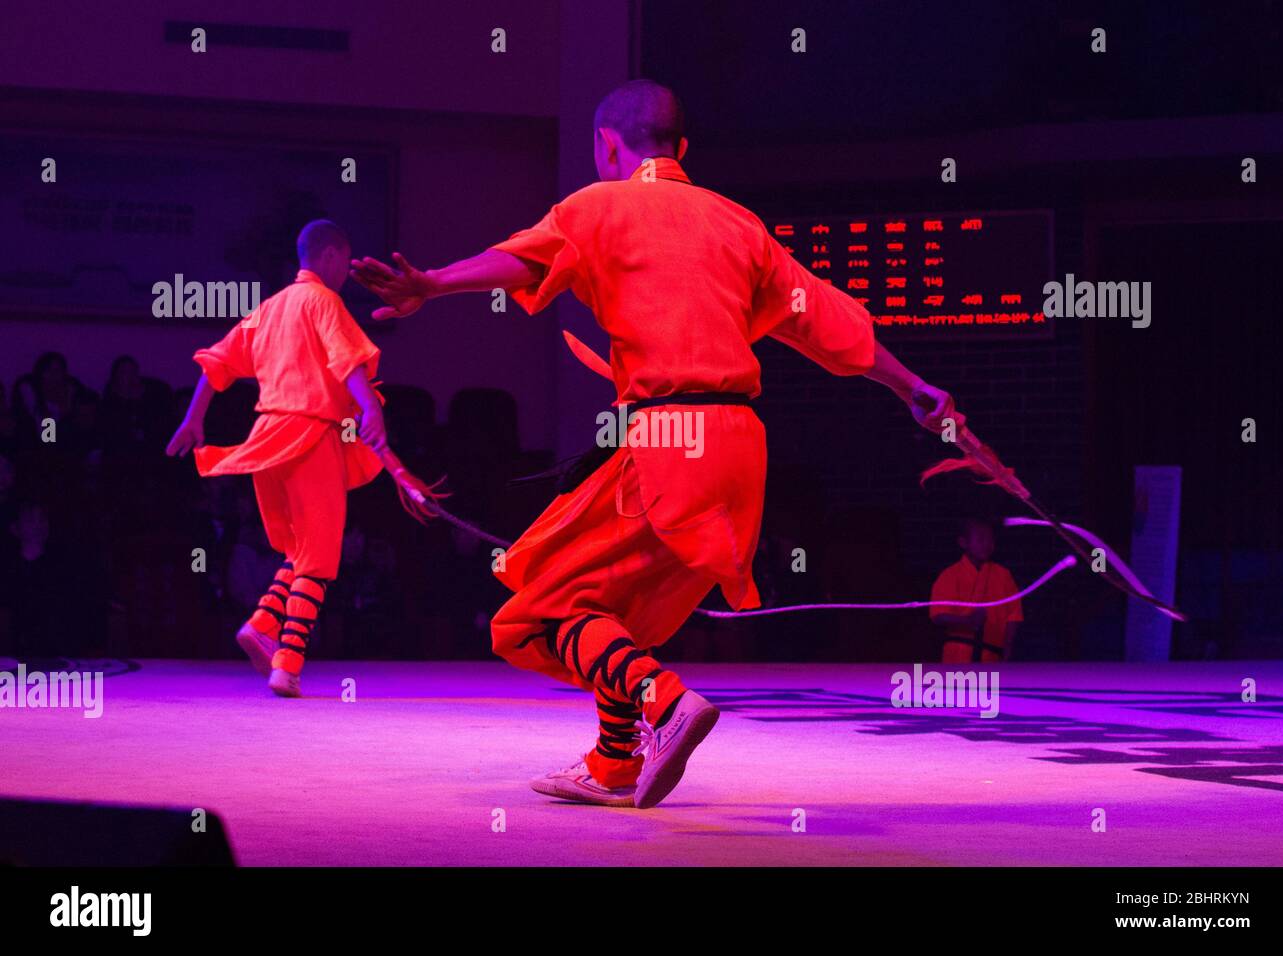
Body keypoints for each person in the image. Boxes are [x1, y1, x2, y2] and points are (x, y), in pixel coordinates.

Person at [352, 79, 962, 808]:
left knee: (532, 613)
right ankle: (613, 761)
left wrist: (432, 283)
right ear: (683, 149)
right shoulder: (738, 222)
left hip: (672, 436)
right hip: (742, 448)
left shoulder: (600, 206)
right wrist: (911, 386)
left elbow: (528, 261)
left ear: (608, 145)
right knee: (619, 613)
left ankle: (667, 704)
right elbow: (823, 318)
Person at [167, 220, 388, 697]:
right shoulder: (323, 301)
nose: (346, 275)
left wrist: (194, 419)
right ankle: (287, 664)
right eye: (344, 264)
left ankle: (263, 622)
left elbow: (217, 363)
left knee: (301, 550)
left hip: (268, 441)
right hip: (310, 437)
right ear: (329, 257)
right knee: (321, 557)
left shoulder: (268, 309)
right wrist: (371, 407)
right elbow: (347, 361)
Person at [929, 517, 1023, 662]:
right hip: (958, 653)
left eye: (990, 540)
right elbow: (938, 615)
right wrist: (967, 621)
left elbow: (1013, 617)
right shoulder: (950, 575)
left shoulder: (1003, 575)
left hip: (992, 654)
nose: (986, 544)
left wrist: (1007, 654)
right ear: (963, 542)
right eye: (981, 539)